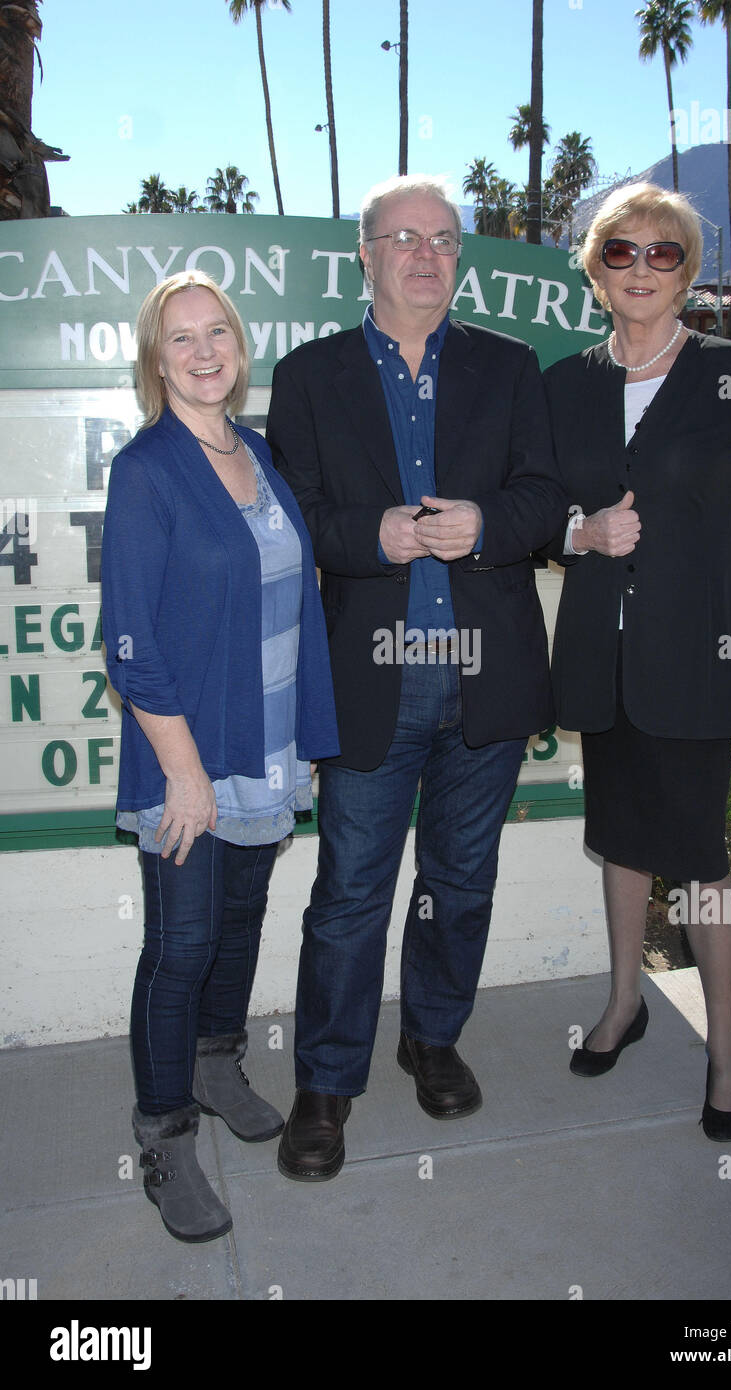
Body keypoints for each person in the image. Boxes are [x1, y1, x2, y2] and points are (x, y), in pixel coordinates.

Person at [266, 173, 565, 1180]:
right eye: (405, 238)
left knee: (460, 881)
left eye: (443, 238)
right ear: (366, 253)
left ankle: (432, 1038)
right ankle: (325, 1083)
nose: (426, 255)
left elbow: (544, 497)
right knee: (349, 891)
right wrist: (373, 535)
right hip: (370, 678)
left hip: (484, 675)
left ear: (459, 257)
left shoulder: (511, 365)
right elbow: (293, 514)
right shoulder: (310, 375)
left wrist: (486, 526)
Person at [545, 183, 731, 1140]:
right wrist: (579, 533)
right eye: (621, 251)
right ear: (595, 269)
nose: (640, 267)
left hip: (696, 650)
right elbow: (532, 507)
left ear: (685, 271)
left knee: (702, 858)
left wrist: (720, 527)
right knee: (622, 834)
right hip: (601, 651)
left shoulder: (724, 372)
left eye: (662, 253)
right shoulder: (567, 382)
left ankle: (723, 1047)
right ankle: (625, 1002)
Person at [101, 271, 338, 1240]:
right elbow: (128, 637)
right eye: (181, 339)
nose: (204, 352)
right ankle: (163, 1134)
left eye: (218, 334)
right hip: (188, 761)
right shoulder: (147, 468)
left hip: (266, 748)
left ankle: (216, 1061)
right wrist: (184, 770)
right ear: (157, 362)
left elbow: (291, 600)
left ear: (239, 349)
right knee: (183, 944)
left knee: (241, 920)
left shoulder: (264, 454)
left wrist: (300, 742)